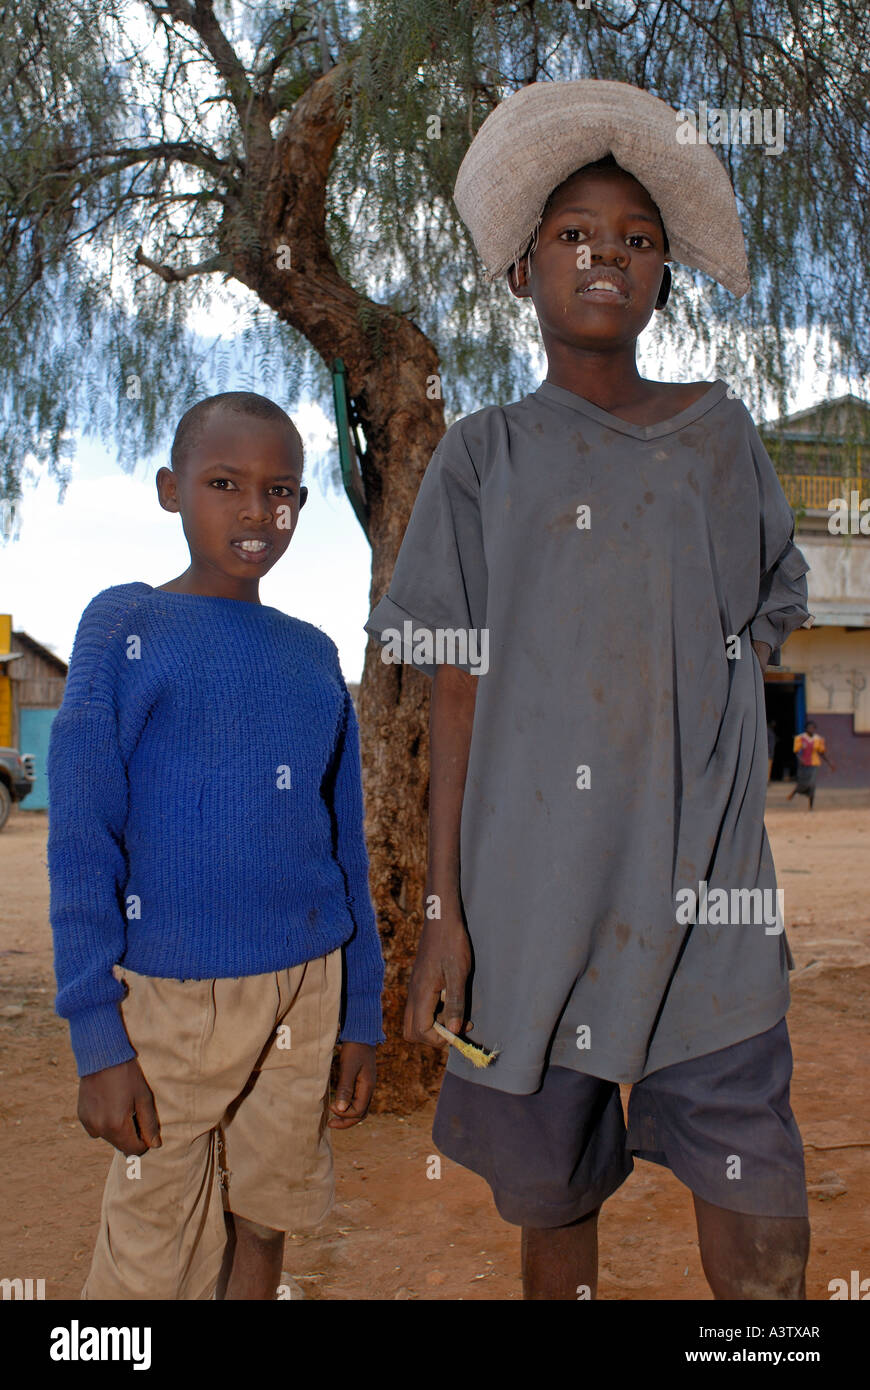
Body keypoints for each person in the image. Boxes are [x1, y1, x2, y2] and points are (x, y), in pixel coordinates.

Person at [366, 80, 812, 1301]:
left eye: (637, 239)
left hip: (705, 887)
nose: (606, 254)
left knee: (756, 1190)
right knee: (551, 1193)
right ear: (521, 272)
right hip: (530, 895)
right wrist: (447, 913)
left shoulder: (721, 438)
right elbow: (453, 691)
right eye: (574, 234)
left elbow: (767, 608)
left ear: (665, 277)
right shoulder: (482, 457)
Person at [47, 391, 384, 1300]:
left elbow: (344, 848)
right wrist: (98, 1041)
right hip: (170, 1003)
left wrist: (359, 1016)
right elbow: (82, 840)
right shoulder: (124, 627)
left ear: (301, 508)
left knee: (265, 1220)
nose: (253, 511)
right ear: (170, 490)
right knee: (151, 1246)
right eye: (223, 483)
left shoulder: (311, 654)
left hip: (305, 987)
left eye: (280, 491)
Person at [789, 719, 835, 809]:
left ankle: (811, 806)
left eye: (812, 728)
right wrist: (800, 759)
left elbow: (822, 753)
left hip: (814, 764)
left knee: (812, 784)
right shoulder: (800, 738)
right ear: (806, 729)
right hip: (803, 765)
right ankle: (796, 791)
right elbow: (796, 751)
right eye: (809, 728)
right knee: (803, 783)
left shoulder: (818, 739)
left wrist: (830, 763)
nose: (811, 729)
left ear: (815, 729)